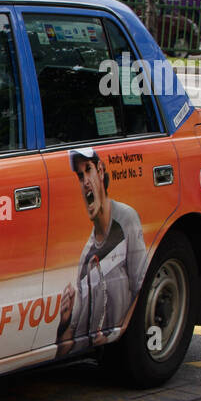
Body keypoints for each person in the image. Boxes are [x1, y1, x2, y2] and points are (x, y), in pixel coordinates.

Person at [55, 147, 147, 357]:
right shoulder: (85, 258)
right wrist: (64, 322)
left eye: (88, 170)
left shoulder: (126, 220)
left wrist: (118, 335)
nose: (85, 181)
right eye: (80, 176)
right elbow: (66, 347)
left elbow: (142, 289)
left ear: (101, 170)